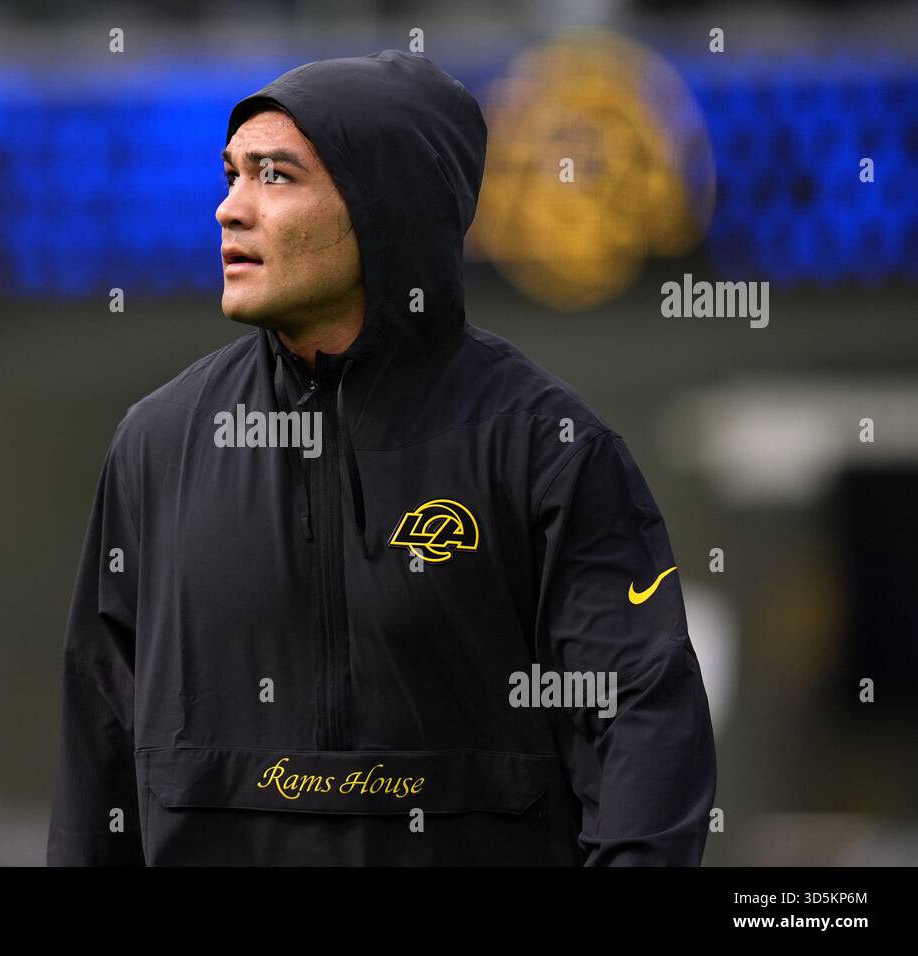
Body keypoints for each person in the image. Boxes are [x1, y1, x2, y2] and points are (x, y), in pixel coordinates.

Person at [46, 50, 717, 866]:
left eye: (276, 176)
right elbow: (98, 753)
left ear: (383, 208)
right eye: (231, 175)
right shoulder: (156, 445)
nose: (230, 209)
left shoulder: (550, 450)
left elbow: (642, 732)